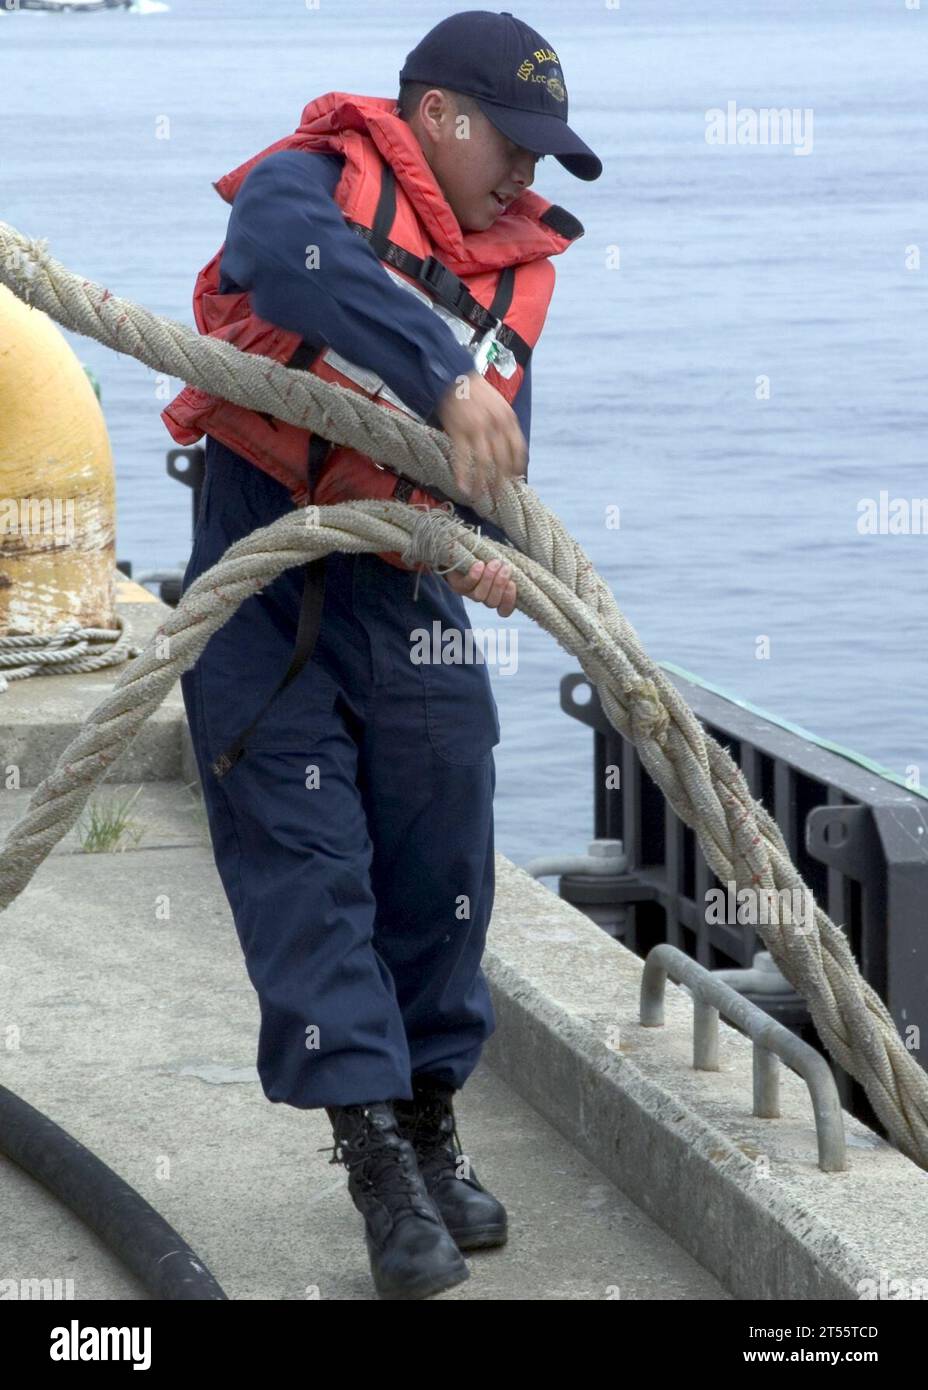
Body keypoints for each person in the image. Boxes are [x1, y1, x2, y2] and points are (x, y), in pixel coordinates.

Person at [164, 9, 601, 1300]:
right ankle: (374, 1168)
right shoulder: (313, 183)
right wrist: (440, 373)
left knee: (442, 840)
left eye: (543, 155)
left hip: (407, 590)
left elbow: (497, 435)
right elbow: (289, 265)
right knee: (311, 867)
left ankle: (425, 1125)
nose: (525, 174)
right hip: (272, 578)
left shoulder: (509, 272)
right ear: (434, 115)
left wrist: (480, 540)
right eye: (510, 144)